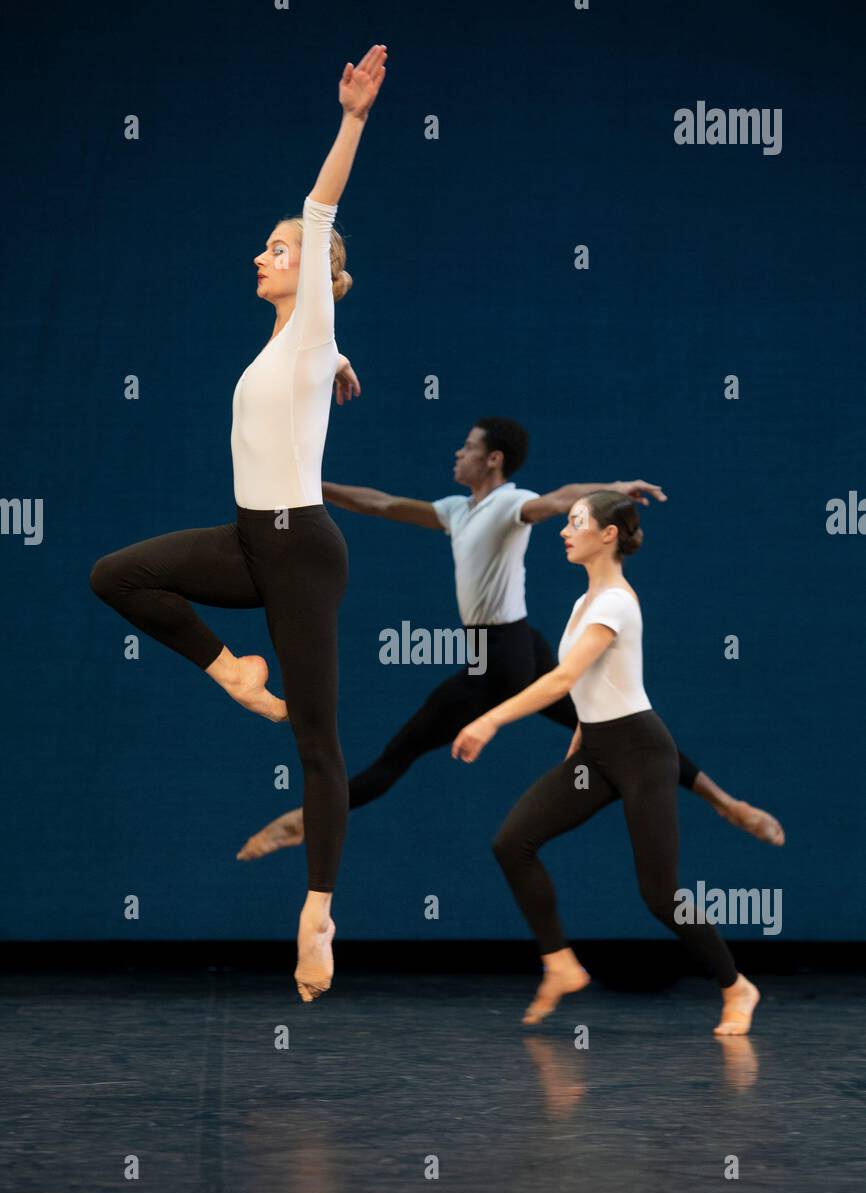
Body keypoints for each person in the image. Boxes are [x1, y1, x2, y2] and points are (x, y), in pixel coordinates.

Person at [90, 43, 389, 1002]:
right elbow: (309, 370)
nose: (262, 256)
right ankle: (233, 674)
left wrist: (351, 118)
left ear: (309, 273)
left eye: (279, 250)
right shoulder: (291, 350)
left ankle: (317, 915)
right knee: (117, 575)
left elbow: (320, 209)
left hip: (302, 551)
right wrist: (335, 363)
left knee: (319, 745)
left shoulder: (309, 325)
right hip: (251, 538)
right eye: (267, 249)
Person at [238, 420, 783, 859]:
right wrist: (315, 489)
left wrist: (610, 490)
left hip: (503, 659)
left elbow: (556, 500)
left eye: (469, 447)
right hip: (512, 650)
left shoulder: (509, 504)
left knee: (401, 753)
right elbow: (379, 503)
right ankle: (726, 802)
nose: (458, 453)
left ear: (493, 459)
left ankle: (305, 822)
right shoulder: (457, 511)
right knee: (622, 731)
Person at [451, 490, 762, 1035]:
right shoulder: (582, 603)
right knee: (512, 843)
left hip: (642, 753)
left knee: (660, 895)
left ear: (608, 534)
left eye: (575, 522)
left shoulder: (616, 601)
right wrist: (578, 737)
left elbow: (562, 679)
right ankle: (561, 964)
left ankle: (737, 986)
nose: (564, 531)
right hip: (596, 751)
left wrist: (489, 720)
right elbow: (589, 689)